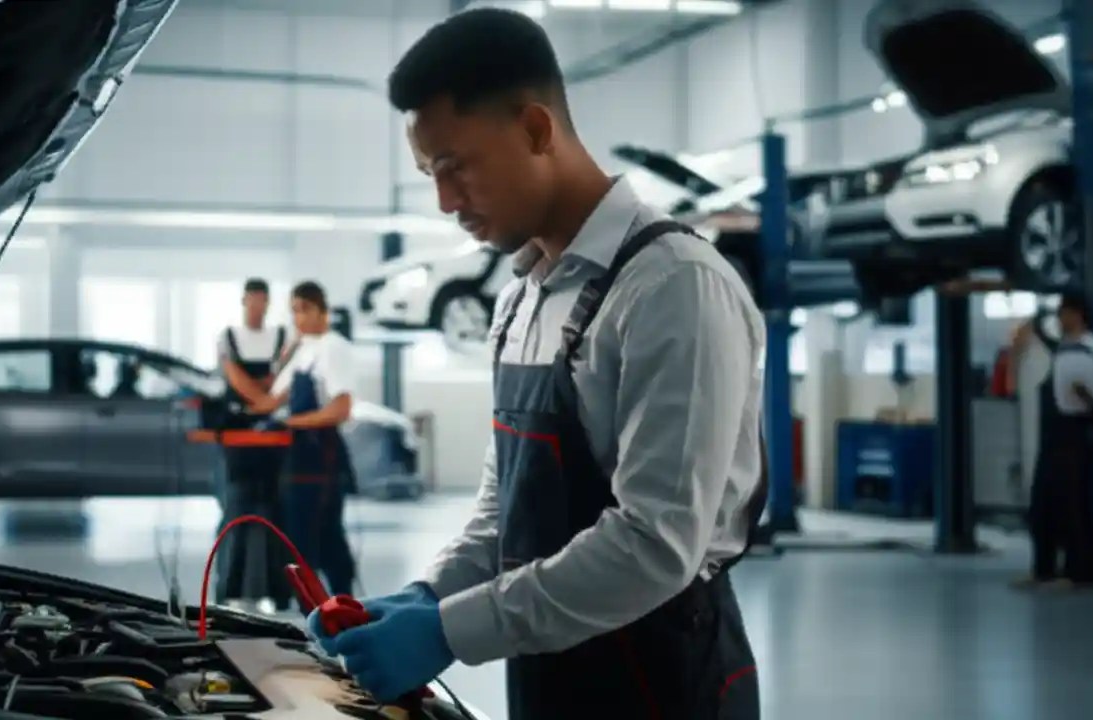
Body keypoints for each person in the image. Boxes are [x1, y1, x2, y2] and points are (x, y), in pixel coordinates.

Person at [305, 9, 768, 719]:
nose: (445, 202)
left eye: (456, 169)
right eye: (431, 174)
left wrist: (448, 630)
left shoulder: (672, 286)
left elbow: (654, 545)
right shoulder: (520, 301)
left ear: (534, 130)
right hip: (553, 671)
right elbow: (507, 514)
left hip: (662, 679)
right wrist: (428, 595)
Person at [249, 281, 358, 600]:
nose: (297, 317)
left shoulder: (334, 346)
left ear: (322, 310)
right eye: (293, 310)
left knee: (322, 536)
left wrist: (289, 421)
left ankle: (339, 602)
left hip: (320, 453)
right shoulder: (304, 348)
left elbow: (340, 408)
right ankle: (313, 607)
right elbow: (273, 399)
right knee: (299, 536)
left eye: (303, 309)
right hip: (297, 455)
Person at [1010, 292, 1093, 587]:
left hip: (1076, 431)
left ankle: (1076, 571)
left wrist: (1088, 400)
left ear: (1078, 314)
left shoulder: (1090, 347)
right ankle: (1042, 567)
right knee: (1043, 500)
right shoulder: (1064, 347)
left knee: (1072, 503)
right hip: (1055, 432)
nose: (1061, 319)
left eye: (1065, 313)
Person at [213, 278, 289, 610]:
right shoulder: (228, 338)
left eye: (263, 300)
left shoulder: (282, 338)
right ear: (244, 301)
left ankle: (274, 591)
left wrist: (266, 406)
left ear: (268, 302)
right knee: (236, 508)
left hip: (274, 441)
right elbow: (236, 377)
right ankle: (231, 588)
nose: (257, 306)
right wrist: (263, 402)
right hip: (238, 442)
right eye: (252, 300)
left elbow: (283, 377)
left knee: (273, 512)